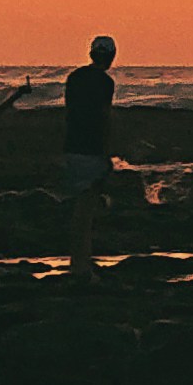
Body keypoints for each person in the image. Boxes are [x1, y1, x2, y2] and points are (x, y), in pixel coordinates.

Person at [60, 35, 119, 255]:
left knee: (80, 205)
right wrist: (106, 151)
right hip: (92, 147)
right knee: (86, 209)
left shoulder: (74, 77)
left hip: (73, 144)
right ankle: (81, 262)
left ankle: (79, 259)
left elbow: (70, 111)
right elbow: (104, 116)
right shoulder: (105, 83)